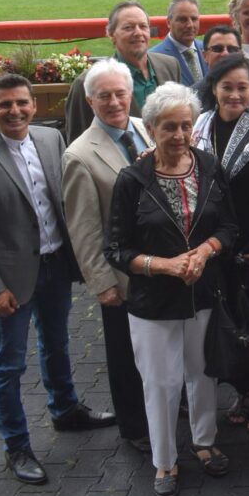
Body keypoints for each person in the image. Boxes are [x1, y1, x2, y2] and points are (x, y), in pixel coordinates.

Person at [0, 74, 116, 486]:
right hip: (11, 281)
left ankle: (66, 410)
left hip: (55, 264)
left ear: (34, 105)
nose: (15, 111)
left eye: (22, 103)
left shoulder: (50, 139)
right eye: (5, 105)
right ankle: (17, 446)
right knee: (9, 364)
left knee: (57, 343)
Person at [104, 82, 239, 496]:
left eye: (185, 126)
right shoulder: (132, 180)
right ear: (151, 129)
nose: (179, 135)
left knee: (202, 373)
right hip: (153, 302)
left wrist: (206, 250)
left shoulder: (209, 167)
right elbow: (116, 249)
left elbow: (229, 226)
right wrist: (164, 266)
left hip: (203, 293)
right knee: (160, 383)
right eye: (169, 127)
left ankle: (204, 441)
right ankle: (164, 460)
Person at [192, 54, 249, 433]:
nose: (234, 94)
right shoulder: (199, 126)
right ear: (213, 89)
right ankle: (243, 389)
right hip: (215, 243)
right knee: (227, 317)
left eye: (242, 87)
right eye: (226, 87)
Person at [62, 60, 152, 452]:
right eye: (104, 96)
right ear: (89, 101)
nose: (114, 102)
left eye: (120, 93)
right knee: (125, 354)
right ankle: (135, 427)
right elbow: (84, 228)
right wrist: (102, 284)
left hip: (160, 266)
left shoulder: (147, 128)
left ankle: (166, 408)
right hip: (121, 276)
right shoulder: (79, 155)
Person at [65, 0, 182, 144]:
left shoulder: (170, 66)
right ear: (111, 34)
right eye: (128, 28)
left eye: (143, 26)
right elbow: (77, 143)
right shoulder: (86, 83)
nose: (138, 33)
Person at [192, 24, 249, 119]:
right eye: (217, 49)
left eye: (232, 49)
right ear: (205, 55)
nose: (225, 53)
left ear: (241, 53)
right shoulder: (192, 97)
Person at [149, 0, 206, 86]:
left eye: (194, 19)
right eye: (183, 20)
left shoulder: (209, 49)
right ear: (168, 22)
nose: (190, 25)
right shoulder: (153, 58)